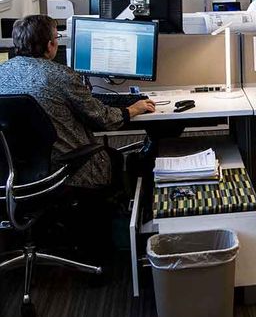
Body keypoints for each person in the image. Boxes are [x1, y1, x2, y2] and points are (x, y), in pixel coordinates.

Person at [0, 15, 156, 188]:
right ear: (50, 45)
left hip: (11, 176)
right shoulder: (61, 75)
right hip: (64, 172)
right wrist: (133, 109)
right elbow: (102, 118)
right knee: (116, 158)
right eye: (56, 37)